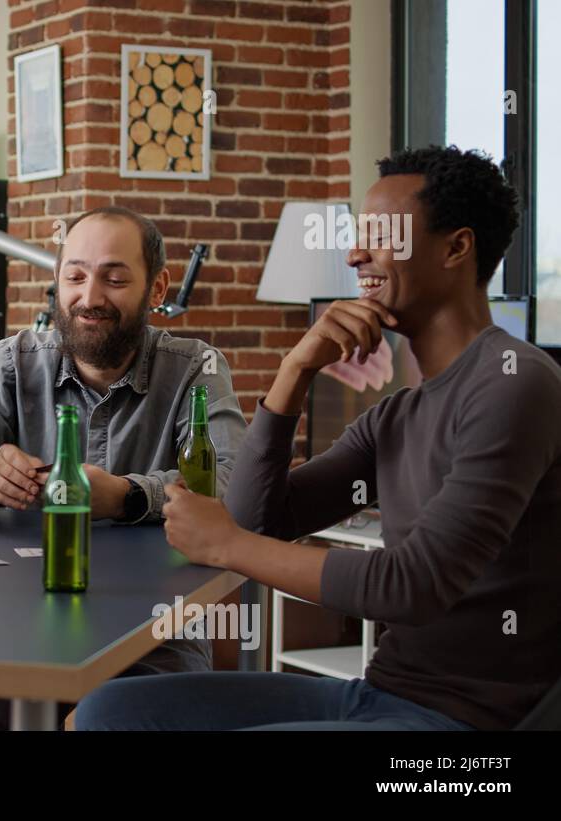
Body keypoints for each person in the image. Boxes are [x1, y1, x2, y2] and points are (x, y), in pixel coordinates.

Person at [77, 146, 561, 731]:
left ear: (456, 248)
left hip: (467, 730)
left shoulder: (514, 381)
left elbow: (413, 585)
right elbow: (258, 518)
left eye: (381, 236)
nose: (357, 254)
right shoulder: (398, 416)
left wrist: (223, 544)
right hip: (380, 696)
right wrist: (293, 374)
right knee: (106, 713)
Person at [0, 206, 247, 730]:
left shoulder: (197, 367)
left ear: (158, 287)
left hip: (155, 629)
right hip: (19, 616)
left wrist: (125, 496)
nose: (90, 297)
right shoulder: (12, 362)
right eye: (74, 276)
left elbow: (231, 484)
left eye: (115, 278)